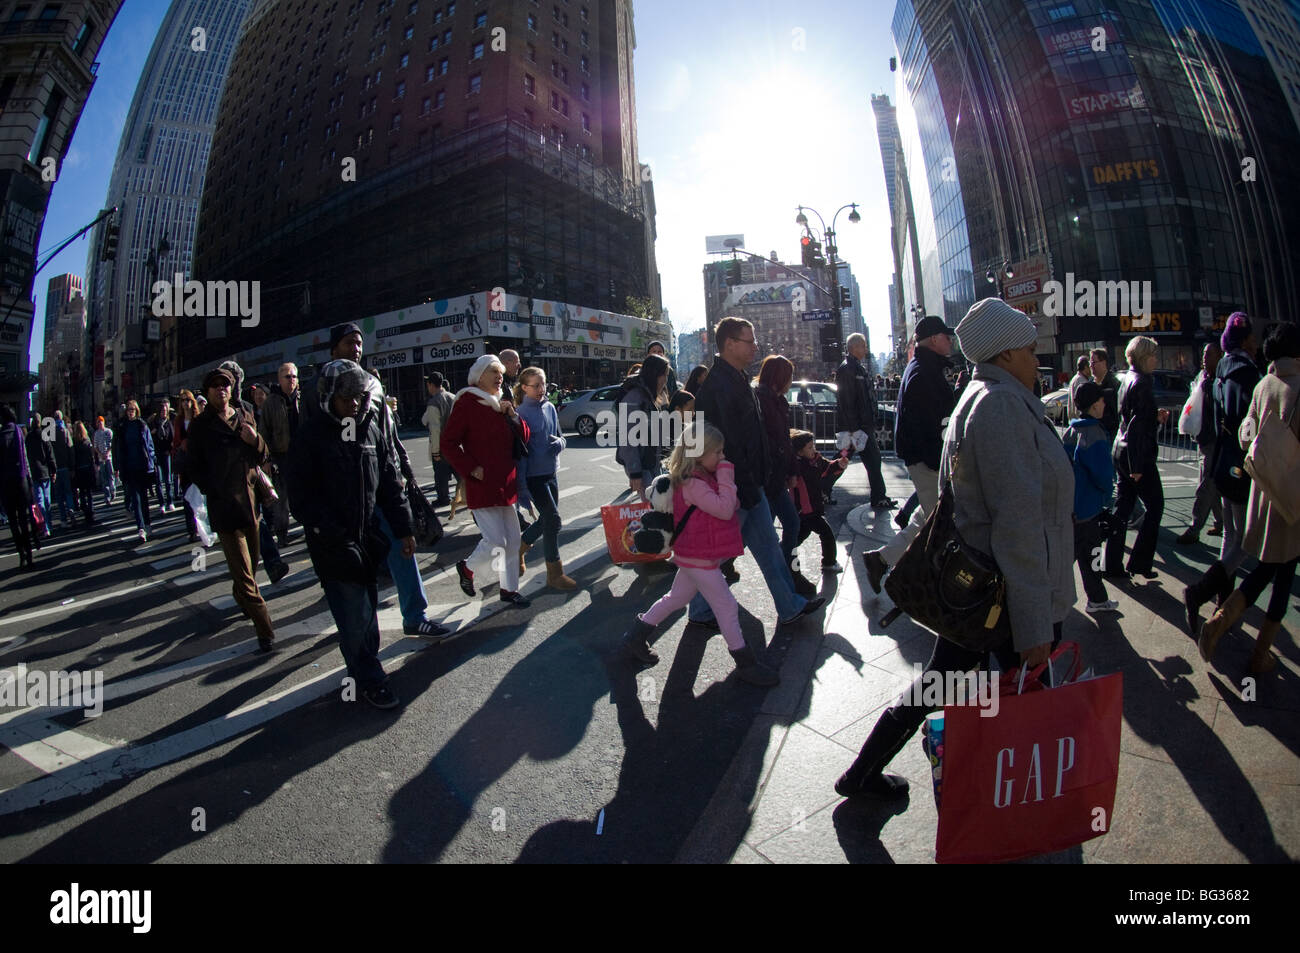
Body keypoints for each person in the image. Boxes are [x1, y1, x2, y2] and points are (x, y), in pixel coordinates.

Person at [835, 298, 1074, 802]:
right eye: (1030, 350)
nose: (1038, 360)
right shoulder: (1000, 406)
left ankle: (862, 775)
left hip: (986, 590)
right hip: (1006, 596)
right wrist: (1034, 622)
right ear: (1005, 354)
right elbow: (1018, 523)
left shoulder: (981, 396)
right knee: (1019, 700)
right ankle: (1021, 799)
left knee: (937, 687)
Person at [289, 359, 426, 709]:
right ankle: (369, 677)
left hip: (369, 538)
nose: (354, 404)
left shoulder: (370, 430)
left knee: (366, 612)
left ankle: (364, 667)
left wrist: (403, 529)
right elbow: (302, 499)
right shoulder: (311, 435)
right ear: (328, 396)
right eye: (346, 397)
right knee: (353, 616)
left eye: (359, 397)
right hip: (333, 544)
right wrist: (334, 535)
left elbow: (389, 486)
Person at [304, 324, 444, 635]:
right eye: (348, 343)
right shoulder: (318, 386)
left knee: (402, 545)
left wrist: (403, 470)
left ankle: (414, 615)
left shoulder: (373, 383)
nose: (355, 348)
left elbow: (388, 436)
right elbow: (312, 440)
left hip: (382, 479)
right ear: (333, 349)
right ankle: (355, 630)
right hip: (344, 491)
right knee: (351, 561)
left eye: (359, 343)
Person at [688, 317, 823, 629]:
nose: (755, 346)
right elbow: (729, 444)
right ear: (730, 344)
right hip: (737, 487)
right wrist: (746, 487)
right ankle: (698, 608)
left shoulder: (737, 378)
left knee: (766, 553)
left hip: (750, 485)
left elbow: (753, 436)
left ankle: (789, 606)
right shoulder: (719, 386)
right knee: (718, 554)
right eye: (749, 341)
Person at [619, 421, 779, 686]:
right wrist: (727, 477)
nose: (722, 457)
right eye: (718, 452)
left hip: (696, 554)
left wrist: (723, 484)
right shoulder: (694, 484)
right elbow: (726, 509)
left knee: (675, 598)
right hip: (699, 558)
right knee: (726, 606)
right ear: (699, 454)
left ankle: (634, 638)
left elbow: (730, 503)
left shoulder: (700, 478)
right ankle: (746, 663)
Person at [1198, 322, 1300, 674]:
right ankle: (1258, 652)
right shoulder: (1297, 386)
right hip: (1293, 497)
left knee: (1269, 567)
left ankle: (1222, 622)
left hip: (1263, 493)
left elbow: (1246, 437)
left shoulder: (1262, 384)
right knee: (1281, 573)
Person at [861, 315, 956, 594]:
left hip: (926, 459)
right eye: (946, 336)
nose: (950, 340)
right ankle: (921, 585)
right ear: (935, 339)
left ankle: (881, 561)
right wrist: (935, 460)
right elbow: (926, 422)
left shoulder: (925, 367)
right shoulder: (923, 371)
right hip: (928, 460)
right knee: (940, 525)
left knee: (927, 518)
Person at [186, 368, 278, 653]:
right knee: (246, 576)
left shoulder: (243, 416)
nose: (221, 390)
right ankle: (265, 630)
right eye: (214, 386)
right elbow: (192, 466)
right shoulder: (201, 426)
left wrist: (256, 440)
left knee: (251, 567)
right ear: (208, 392)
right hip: (224, 509)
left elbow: (262, 454)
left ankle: (241, 598)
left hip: (251, 506)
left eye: (225, 386)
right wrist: (213, 489)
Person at [1184, 313, 1262, 635]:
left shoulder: (1221, 372)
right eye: (1252, 337)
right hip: (1239, 465)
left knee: (1232, 534)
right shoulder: (1245, 373)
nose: (1256, 342)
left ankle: (1222, 603)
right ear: (1244, 339)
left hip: (1223, 463)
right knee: (1246, 541)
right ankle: (1201, 592)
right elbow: (1247, 422)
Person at [442, 354, 532, 607]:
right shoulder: (467, 402)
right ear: (479, 376)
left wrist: (513, 415)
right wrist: (471, 468)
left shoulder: (500, 402)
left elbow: (525, 437)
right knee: (495, 541)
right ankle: (467, 569)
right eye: (494, 371)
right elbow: (448, 443)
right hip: (482, 483)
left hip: (506, 481)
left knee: (513, 541)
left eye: (501, 372)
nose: (499, 376)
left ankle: (509, 590)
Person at [218, 360, 290, 584]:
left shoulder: (247, 409)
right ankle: (246, 586)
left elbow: (260, 444)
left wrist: (258, 446)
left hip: (250, 477)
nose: (232, 384)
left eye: (235, 379)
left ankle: (272, 564)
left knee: (257, 522)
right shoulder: (211, 415)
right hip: (226, 484)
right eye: (228, 379)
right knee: (241, 535)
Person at [1103, 337, 1168, 579]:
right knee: (1155, 506)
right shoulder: (1142, 383)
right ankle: (1139, 563)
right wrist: (1138, 465)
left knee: (1123, 508)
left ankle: (1112, 564)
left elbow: (1131, 417)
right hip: (1136, 455)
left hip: (1121, 451)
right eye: (1152, 355)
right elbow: (1137, 426)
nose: (1155, 359)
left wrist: (1154, 416)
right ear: (1143, 357)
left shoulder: (1126, 379)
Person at [755, 355, 816, 597]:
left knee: (790, 523)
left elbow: (785, 441)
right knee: (760, 533)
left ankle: (791, 571)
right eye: (789, 376)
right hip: (766, 477)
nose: (791, 381)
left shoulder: (778, 401)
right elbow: (771, 442)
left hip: (778, 476)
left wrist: (792, 471)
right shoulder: (760, 400)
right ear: (780, 377)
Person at [514, 366, 577, 590]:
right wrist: (521, 488)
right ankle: (555, 572)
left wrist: (558, 444)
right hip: (533, 476)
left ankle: (521, 546)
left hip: (551, 471)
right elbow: (519, 455)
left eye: (543, 384)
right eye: (536, 385)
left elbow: (561, 437)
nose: (541, 389)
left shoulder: (550, 407)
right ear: (524, 388)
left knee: (548, 521)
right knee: (553, 520)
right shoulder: (520, 413)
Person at [1063, 381, 1118, 612]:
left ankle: (1096, 598)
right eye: (1102, 400)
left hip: (1072, 507)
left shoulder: (1072, 430)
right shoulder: (1094, 433)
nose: (1105, 403)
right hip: (1089, 509)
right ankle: (1096, 599)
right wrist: (1108, 495)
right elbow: (1103, 474)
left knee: (1078, 555)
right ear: (1095, 405)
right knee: (1089, 555)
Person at [836, 332, 895, 509]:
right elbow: (847, 401)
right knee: (854, 460)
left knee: (849, 460)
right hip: (857, 428)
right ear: (854, 347)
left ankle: (879, 496)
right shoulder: (848, 369)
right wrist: (854, 429)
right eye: (863, 345)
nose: (866, 349)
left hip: (862, 426)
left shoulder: (857, 368)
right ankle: (879, 497)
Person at [1176, 341, 1225, 545]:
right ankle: (1221, 521)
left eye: (1210, 354)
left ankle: (1195, 528)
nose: (1205, 358)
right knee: (1212, 485)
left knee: (1206, 485)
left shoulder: (1221, 381)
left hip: (1215, 440)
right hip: (1204, 438)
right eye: (1204, 354)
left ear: (1219, 356)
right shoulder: (1203, 379)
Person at [790, 430, 848, 571]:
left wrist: (839, 464)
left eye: (813, 446)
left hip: (812, 507)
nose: (813, 450)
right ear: (799, 452)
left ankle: (782, 550)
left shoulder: (815, 460)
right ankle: (829, 562)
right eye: (809, 447)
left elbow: (828, 467)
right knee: (826, 534)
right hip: (807, 509)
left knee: (801, 534)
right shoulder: (797, 466)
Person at [615, 354, 670, 500]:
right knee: (651, 507)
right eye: (664, 375)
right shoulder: (635, 398)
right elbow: (628, 439)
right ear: (654, 375)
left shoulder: (648, 396)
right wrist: (635, 473)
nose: (666, 380)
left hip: (650, 463)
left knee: (654, 507)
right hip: (643, 466)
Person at [258, 362, 301, 546]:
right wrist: (266, 459)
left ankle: (309, 527)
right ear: (279, 379)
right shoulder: (271, 403)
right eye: (287, 376)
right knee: (281, 499)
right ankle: (282, 533)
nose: (291, 380)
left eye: (294, 376)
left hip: (302, 456)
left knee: (304, 494)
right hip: (280, 457)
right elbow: (263, 434)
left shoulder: (304, 398)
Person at [112, 400, 157, 542]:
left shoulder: (142, 425)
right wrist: (117, 466)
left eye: (133, 409)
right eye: (128, 410)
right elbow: (118, 448)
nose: (130, 412)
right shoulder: (122, 426)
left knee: (144, 498)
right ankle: (141, 528)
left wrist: (152, 461)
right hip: (129, 467)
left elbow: (149, 445)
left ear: (136, 410)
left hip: (142, 466)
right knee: (135, 499)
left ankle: (148, 523)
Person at [0, 405, 35, 569]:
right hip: (21, 480)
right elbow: (25, 459)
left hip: (6, 483)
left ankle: (20, 552)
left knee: (13, 522)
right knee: (23, 518)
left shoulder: (0, 435)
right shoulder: (18, 432)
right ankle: (29, 552)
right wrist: (29, 480)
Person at [421, 371, 456, 506]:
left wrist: (435, 451)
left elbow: (434, 428)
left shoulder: (434, 402)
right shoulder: (453, 397)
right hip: (455, 443)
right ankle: (469, 493)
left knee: (440, 475)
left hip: (441, 444)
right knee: (459, 472)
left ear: (430, 384)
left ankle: (443, 498)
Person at [175, 389, 202, 542]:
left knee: (199, 496)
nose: (186, 403)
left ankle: (200, 526)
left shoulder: (197, 419)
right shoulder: (178, 420)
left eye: (188, 400)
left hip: (197, 461)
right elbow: (175, 441)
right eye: (183, 400)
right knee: (186, 497)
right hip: (184, 463)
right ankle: (191, 529)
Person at [25, 414, 55, 533]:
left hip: (34, 472)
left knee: (39, 500)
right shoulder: (45, 435)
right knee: (47, 500)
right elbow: (50, 454)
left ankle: (44, 526)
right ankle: (49, 524)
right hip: (45, 472)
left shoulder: (28, 437)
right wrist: (53, 470)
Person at [150, 398, 176, 513]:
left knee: (168, 480)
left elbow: (172, 438)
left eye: (166, 410)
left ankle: (170, 501)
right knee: (159, 480)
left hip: (167, 454)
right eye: (162, 410)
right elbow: (149, 439)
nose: (164, 412)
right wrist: (153, 433)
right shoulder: (153, 423)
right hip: (157, 454)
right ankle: (161, 503)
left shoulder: (169, 423)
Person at [1090, 348, 1122, 439]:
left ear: (1103, 363)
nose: (1091, 366)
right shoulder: (1090, 383)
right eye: (1090, 363)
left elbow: (1117, 413)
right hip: (1093, 435)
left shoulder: (1114, 384)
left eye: (1093, 362)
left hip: (1110, 435)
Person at [71, 421, 98, 524]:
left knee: (82, 492)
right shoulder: (87, 441)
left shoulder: (74, 442)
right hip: (88, 468)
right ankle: (91, 511)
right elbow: (91, 455)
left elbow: (73, 457)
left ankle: (85, 509)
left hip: (79, 469)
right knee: (89, 492)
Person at [92, 416, 115, 505]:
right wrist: (100, 454)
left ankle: (112, 490)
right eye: (99, 422)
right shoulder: (96, 434)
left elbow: (111, 444)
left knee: (111, 475)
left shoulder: (108, 432)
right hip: (101, 458)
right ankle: (107, 496)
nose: (100, 423)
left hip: (109, 457)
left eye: (101, 421)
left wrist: (107, 453)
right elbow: (95, 446)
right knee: (104, 478)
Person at [1067, 354, 1091, 419]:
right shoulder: (1082, 381)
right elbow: (1079, 407)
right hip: (1080, 422)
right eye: (1090, 366)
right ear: (1086, 367)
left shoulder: (1075, 379)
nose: (1092, 368)